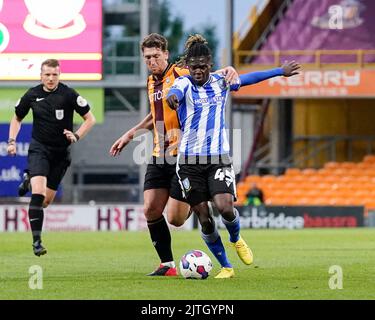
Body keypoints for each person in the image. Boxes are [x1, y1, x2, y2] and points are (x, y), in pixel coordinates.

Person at [167, 34, 300, 278]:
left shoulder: (221, 81)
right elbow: (172, 93)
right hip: (188, 163)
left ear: (210, 64)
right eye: (193, 66)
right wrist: (172, 99)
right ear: (188, 66)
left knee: (224, 206)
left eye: (202, 66)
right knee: (204, 217)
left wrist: (279, 71)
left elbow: (249, 79)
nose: (198, 71)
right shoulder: (183, 84)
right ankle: (227, 267)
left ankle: (237, 238)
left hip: (218, 157)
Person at [109, 33, 239, 276]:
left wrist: (229, 70)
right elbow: (154, 115)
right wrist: (131, 134)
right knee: (150, 209)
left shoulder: (180, 74)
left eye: (156, 56)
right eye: (147, 57)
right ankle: (167, 265)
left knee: (176, 220)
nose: (152, 60)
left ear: (166, 54)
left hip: (183, 155)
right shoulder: (151, 82)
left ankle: (197, 196)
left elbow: (208, 75)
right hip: (160, 154)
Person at [7, 59, 96, 256]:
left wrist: (77, 135)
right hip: (40, 149)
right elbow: (17, 117)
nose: (50, 78)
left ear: (59, 75)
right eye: (47, 74)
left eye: (54, 74)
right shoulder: (32, 94)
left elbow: (90, 118)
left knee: (46, 201)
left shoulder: (68, 94)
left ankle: (29, 177)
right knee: (37, 194)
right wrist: (12, 141)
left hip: (61, 154)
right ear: (41, 75)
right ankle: (37, 242)